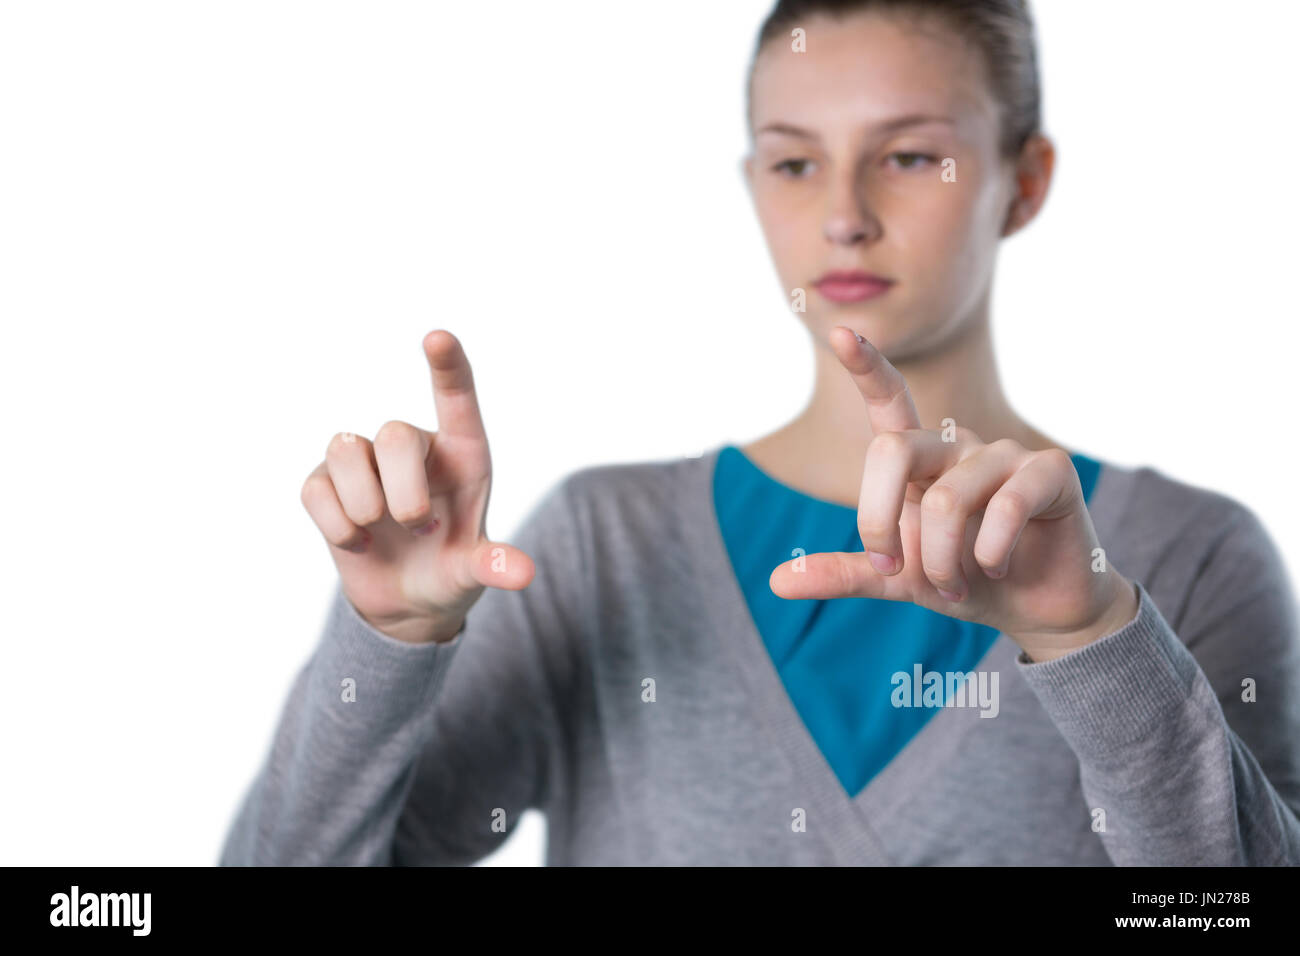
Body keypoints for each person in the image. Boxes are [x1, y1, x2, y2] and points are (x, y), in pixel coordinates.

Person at [219, 0, 1300, 865]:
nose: (842, 214)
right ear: (751, 185)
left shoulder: (1188, 554)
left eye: (910, 157)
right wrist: (390, 641)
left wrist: (1089, 638)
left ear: (1022, 181)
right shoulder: (606, 545)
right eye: (793, 162)